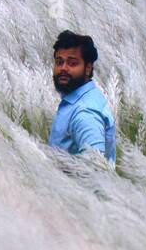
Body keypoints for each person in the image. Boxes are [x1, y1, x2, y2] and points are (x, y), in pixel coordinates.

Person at [48, 30, 115, 164]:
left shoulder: (85, 112)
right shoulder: (82, 98)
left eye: (72, 63)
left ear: (88, 68)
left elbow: (96, 166)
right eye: (59, 62)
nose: (63, 68)